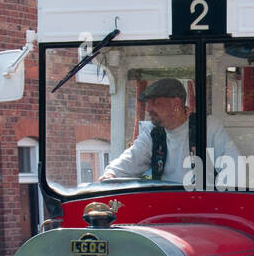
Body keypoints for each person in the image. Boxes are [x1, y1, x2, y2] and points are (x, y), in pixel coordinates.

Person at [99, 78, 240, 186]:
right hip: (165, 210)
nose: (148, 109)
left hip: (203, 209)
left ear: (176, 104)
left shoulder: (207, 127)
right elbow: (128, 162)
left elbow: (234, 171)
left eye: (155, 102)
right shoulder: (152, 134)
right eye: (148, 104)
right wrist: (111, 174)